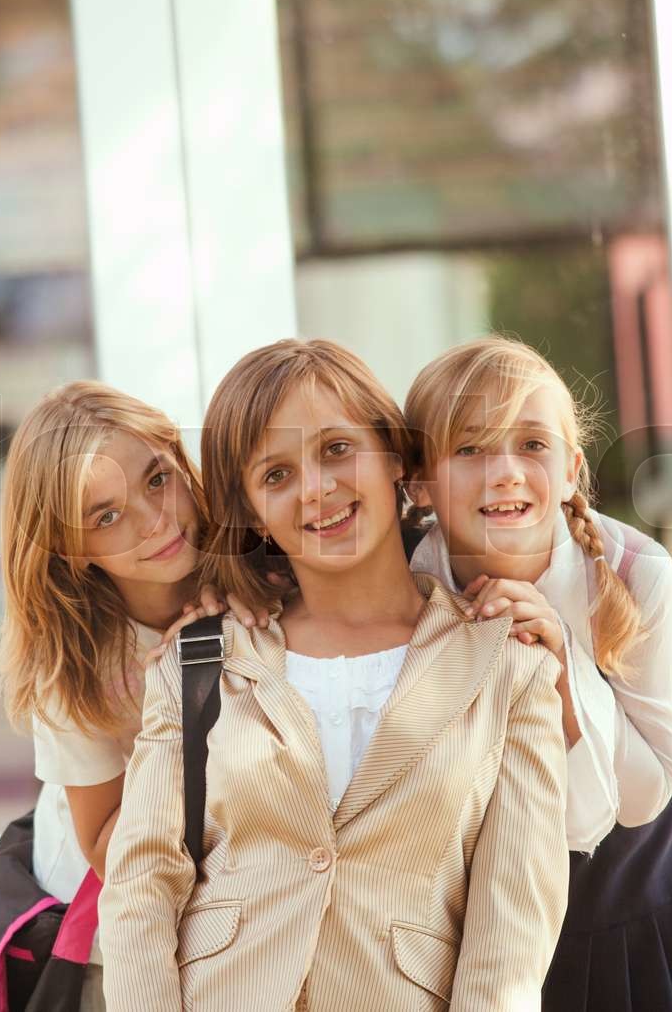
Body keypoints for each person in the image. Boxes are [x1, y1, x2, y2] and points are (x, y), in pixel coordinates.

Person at [99, 338, 570, 1011]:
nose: (316, 489)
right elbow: (141, 885)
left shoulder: (510, 667)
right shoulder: (199, 664)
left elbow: (511, 932)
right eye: (276, 475)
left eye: (338, 450)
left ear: (395, 460)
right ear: (251, 512)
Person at [403, 336, 672, 1011]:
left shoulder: (631, 572)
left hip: (647, 899)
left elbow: (646, 793)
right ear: (417, 484)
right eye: (470, 447)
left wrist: (562, 660)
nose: (504, 471)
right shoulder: (405, 580)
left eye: (532, 444)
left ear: (570, 473)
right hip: (499, 921)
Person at [0, 380, 248, 1010]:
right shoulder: (72, 666)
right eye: (106, 517)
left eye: (157, 479)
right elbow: (107, 846)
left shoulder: (249, 571)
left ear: (177, 458)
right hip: (111, 944)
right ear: (69, 549)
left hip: (236, 916)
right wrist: (182, 695)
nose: (153, 519)